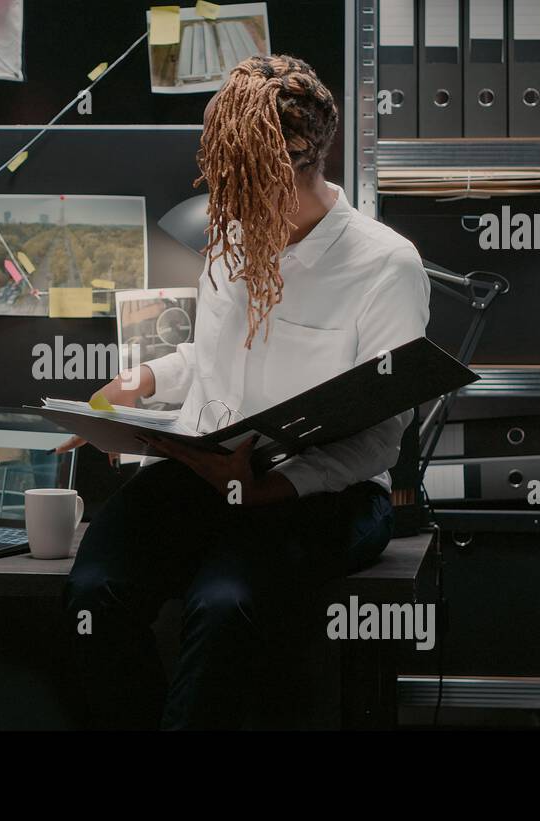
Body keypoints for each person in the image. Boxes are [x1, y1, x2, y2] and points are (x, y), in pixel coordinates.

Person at [58, 55, 431, 730]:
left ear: (294, 169)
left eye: (241, 185)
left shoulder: (384, 265)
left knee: (225, 604)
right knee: (93, 593)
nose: (224, 206)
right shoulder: (232, 238)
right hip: (210, 474)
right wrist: (141, 382)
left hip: (320, 495)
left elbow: (380, 433)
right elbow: (212, 355)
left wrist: (270, 488)